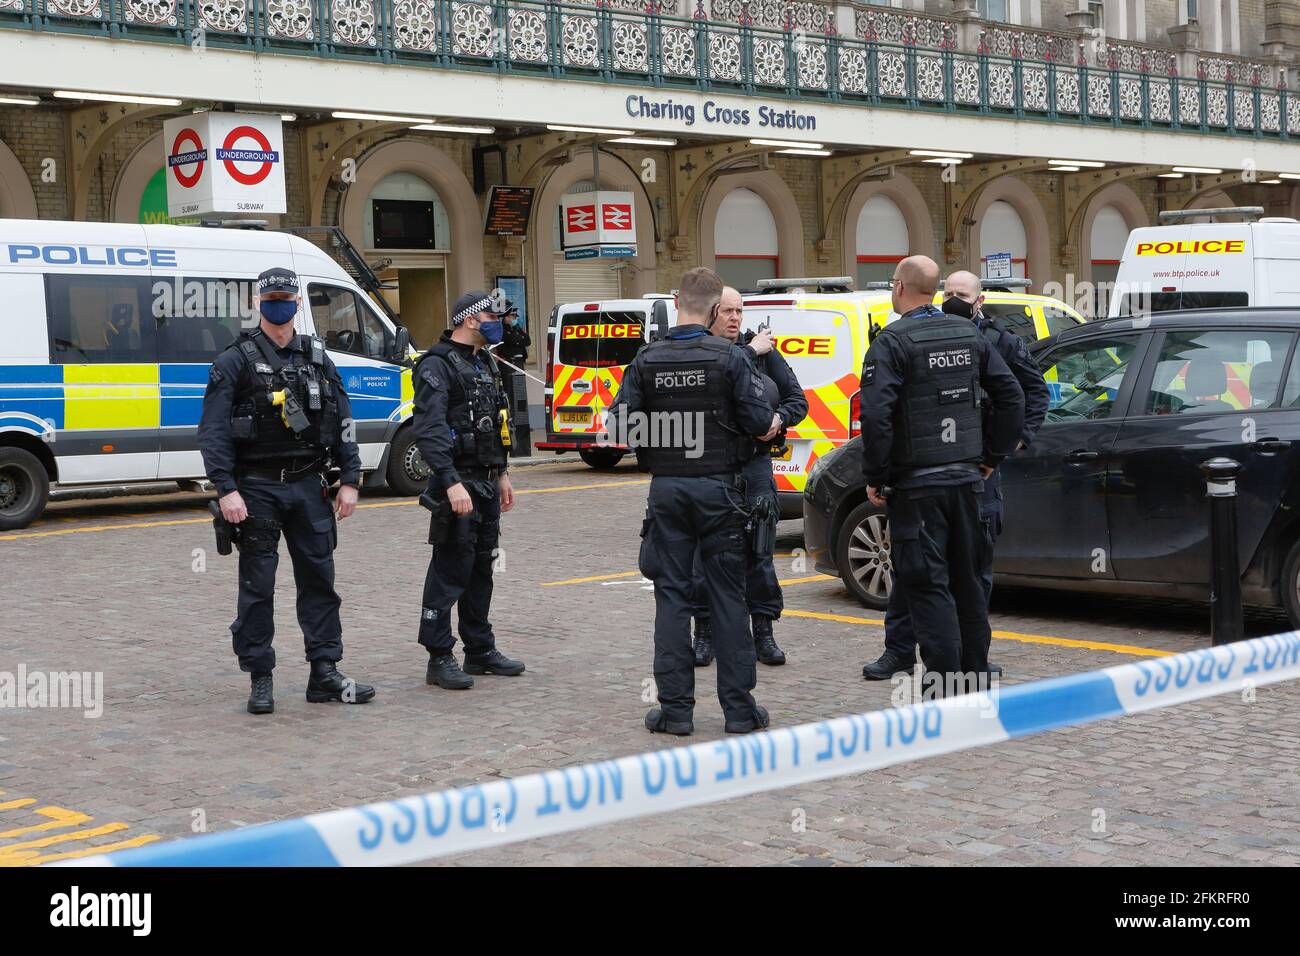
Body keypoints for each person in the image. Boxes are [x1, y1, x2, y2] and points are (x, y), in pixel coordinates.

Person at [198, 267, 375, 715]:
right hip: (256, 489)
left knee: (320, 582)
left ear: (298, 304)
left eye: (286, 297)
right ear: (259, 303)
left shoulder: (317, 356)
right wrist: (226, 490)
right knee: (258, 587)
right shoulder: (234, 360)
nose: (279, 303)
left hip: (309, 486)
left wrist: (350, 479)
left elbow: (344, 422)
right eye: (271, 297)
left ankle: (325, 672)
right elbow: (212, 431)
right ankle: (260, 677)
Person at [606, 267, 775, 735]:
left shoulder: (646, 358)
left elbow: (617, 430)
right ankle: (740, 712)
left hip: (668, 491)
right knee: (728, 599)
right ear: (717, 308)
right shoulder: (730, 357)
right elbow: (762, 423)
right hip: (721, 491)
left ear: (676, 299)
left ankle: (676, 712)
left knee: (672, 599)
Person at [862, 271, 1049, 681]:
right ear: (936, 291)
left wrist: (876, 475)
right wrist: (992, 455)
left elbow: (876, 416)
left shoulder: (892, 341)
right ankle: (974, 677)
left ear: (898, 286)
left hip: (918, 486)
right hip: (967, 482)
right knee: (966, 586)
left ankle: (945, 693)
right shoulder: (970, 337)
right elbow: (1011, 395)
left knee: (929, 590)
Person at [412, 290, 525, 690]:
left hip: (486, 480)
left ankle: (479, 649)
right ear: (471, 319)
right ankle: (439, 655)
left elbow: (497, 421)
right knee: (450, 569)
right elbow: (429, 429)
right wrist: (450, 481)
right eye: (494, 314)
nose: (500, 321)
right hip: (456, 482)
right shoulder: (436, 366)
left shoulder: (486, 362)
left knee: (482, 567)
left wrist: (502, 472)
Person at [691, 285, 807, 668]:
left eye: (739, 311)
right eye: (727, 311)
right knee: (704, 555)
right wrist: (750, 351)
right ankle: (704, 632)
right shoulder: (704, 352)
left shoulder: (763, 351)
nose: (735, 318)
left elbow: (797, 399)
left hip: (755, 466)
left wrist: (776, 422)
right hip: (711, 469)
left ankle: (764, 632)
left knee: (760, 553)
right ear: (710, 313)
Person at [497, 300, 532, 457]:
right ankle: (514, 430)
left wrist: (518, 336)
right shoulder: (503, 330)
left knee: (521, 400)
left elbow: (527, 341)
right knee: (512, 397)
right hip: (509, 366)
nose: (513, 319)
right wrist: (517, 339)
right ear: (504, 317)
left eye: (514, 316)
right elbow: (511, 342)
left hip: (519, 364)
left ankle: (523, 432)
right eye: (511, 316)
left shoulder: (516, 329)